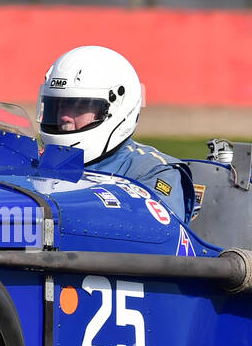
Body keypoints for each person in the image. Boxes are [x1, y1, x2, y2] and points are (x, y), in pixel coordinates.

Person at [36, 45, 194, 221]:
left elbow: (160, 234)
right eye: (58, 106)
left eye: (79, 107)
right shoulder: (39, 162)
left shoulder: (152, 172)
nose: (64, 117)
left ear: (116, 108)